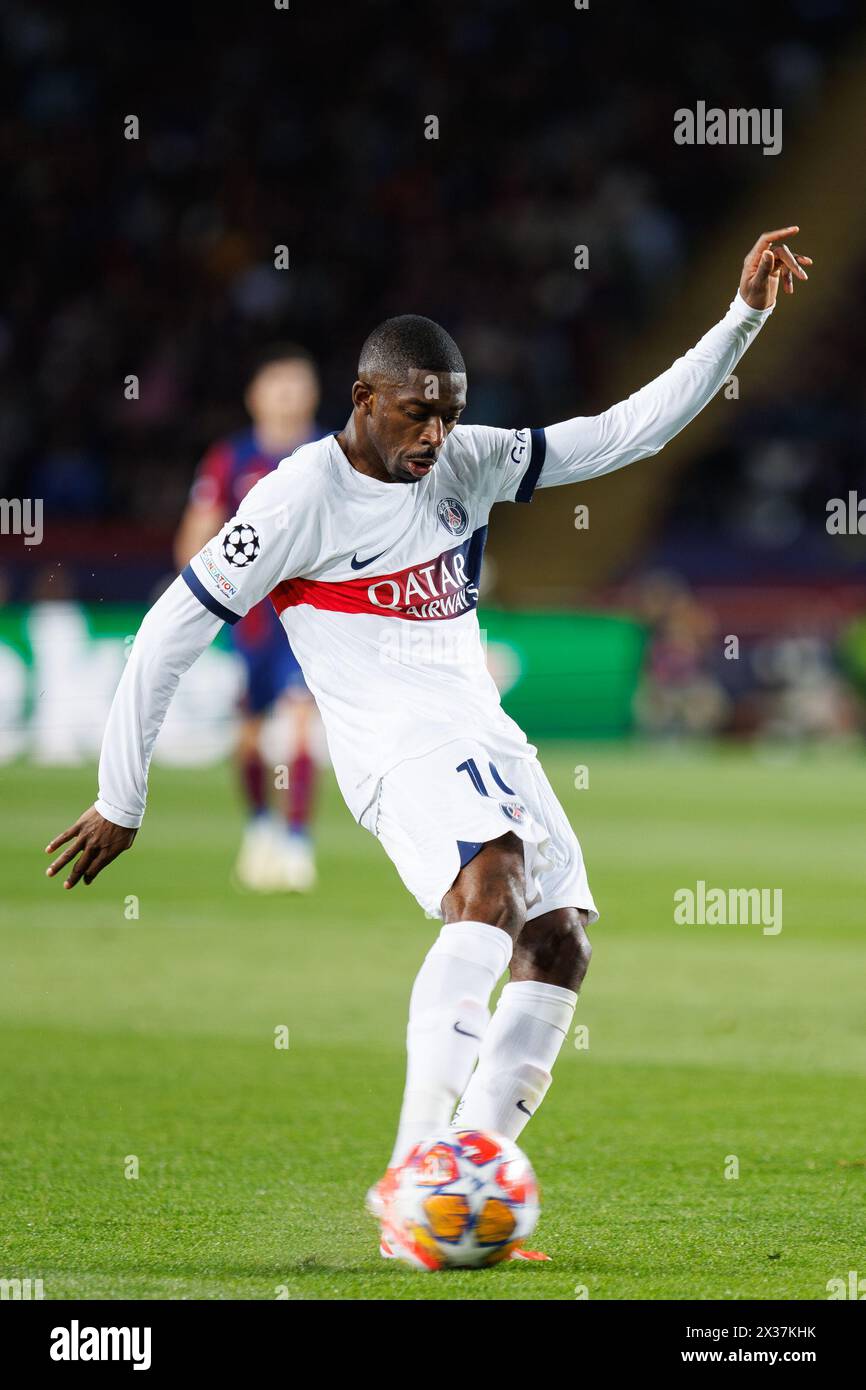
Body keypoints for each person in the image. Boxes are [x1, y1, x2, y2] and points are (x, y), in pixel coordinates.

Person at [45, 228, 811, 1261]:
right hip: (390, 745)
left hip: (477, 729)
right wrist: (120, 797)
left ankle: (469, 1185)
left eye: (448, 411)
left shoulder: (470, 459)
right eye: (417, 412)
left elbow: (623, 432)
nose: (436, 433)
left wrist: (742, 317)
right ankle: (412, 1186)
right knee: (488, 882)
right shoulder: (295, 499)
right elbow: (168, 630)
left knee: (562, 940)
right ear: (365, 398)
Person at [174, 344, 322, 891]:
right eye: (276, 384)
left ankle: (298, 842)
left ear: (311, 394)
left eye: (296, 384)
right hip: (251, 617)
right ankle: (261, 827)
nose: (286, 395)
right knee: (251, 734)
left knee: (300, 720)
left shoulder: (332, 454)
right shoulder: (230, 459)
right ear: (255, 396)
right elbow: (195, 533)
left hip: (310, 613)